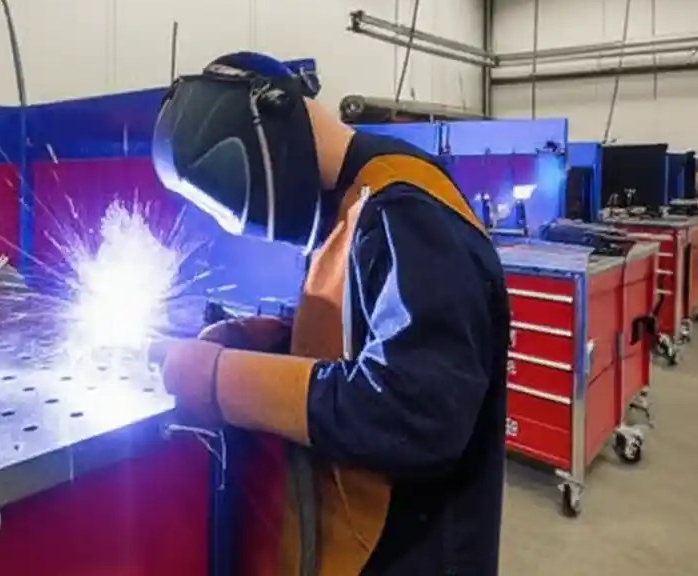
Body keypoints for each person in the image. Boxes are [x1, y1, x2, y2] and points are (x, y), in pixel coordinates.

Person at [149, 52, 509, 576]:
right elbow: (362, 339)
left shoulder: (405, 212)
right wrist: (263, 342)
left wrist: (217, 377)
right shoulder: (354, 201)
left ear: (269, 124)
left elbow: (415, 411)